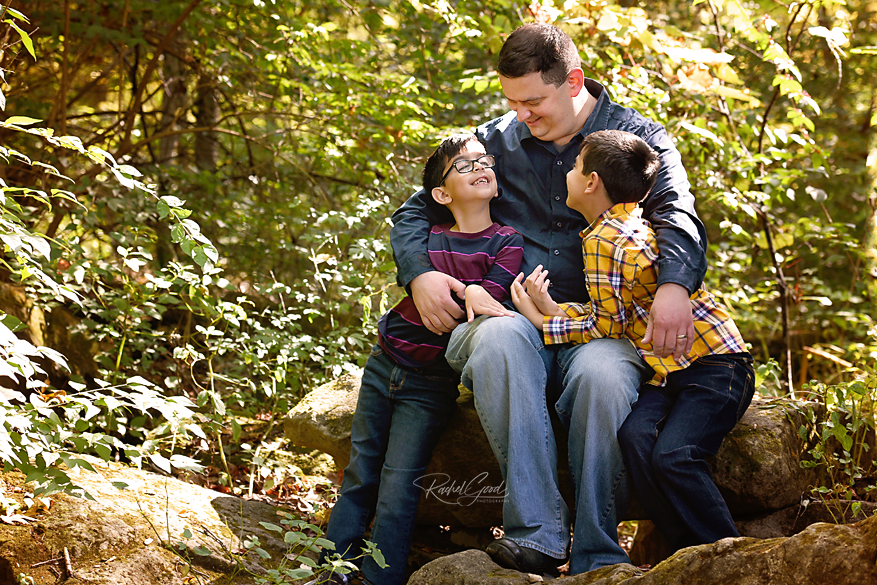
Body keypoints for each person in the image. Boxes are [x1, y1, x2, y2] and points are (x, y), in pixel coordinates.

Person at [390, 23, 709, 576]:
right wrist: (420, 274)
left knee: (605, 380)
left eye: (534, 102)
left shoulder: (636, 139)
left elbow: (677, 215)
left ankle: (596, 554)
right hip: (507, 316)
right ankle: (536, 533)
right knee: (498, 342)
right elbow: (416, 212)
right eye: (512, 102)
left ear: (574, 81)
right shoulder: (491, 143)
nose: (522, 116)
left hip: (600, 327)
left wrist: (676, 285)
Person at [511, 129, 755, 555]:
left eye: (573, 167)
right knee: (637, 436)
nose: (567, 173)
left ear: (591, 183)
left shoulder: (607, 241)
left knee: (674, 456)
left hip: (717, 368)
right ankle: (685, 555)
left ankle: (729, 556)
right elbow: (616, 317)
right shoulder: (623, 225)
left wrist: (540, 321)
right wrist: (553, 308)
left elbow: (606, 329)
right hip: (671, 374)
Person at [314, 133, 524, 585]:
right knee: (360, 471)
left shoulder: (507, 243)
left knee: (398, 485)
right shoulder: (425, 238)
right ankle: (334, 569)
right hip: (383, 362)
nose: (480, 166)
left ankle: (379, 578)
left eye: (484, 160)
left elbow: (489, 302)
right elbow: (416, 279)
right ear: (442, 194)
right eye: (464, 166)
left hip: (431, 383)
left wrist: (469, 290)